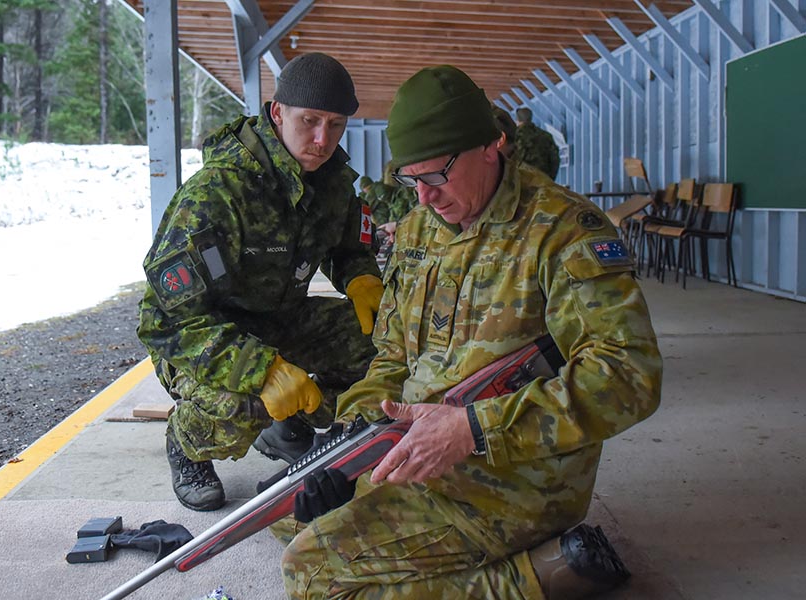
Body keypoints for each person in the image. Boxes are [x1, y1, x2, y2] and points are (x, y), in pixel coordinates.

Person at [280, 65, 662, 599]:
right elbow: (393, 357)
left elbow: (630, 377)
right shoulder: (419, 230)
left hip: (514, 481)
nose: (423, 199)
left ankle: (536, 578)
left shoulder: (563, 232)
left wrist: (474, 429)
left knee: (309, 572)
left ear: (491, 146)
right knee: (289, 511)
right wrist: (350, 440)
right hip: (414, 449)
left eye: (435, 177)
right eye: (410, 181)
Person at [137, 52, 384, 512]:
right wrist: (262, 369)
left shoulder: (330, 181)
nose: (321, 138)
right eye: (309, 121)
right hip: (203, 340)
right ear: (277, 114)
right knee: (239, 402)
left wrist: (361, 278)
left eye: (335, 125)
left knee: (383, 344)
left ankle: (294, 425)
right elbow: (166, 323)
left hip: (281, 318)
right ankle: (186, 444)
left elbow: (348, 247)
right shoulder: (217, 194)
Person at [514, 106, 561, 180]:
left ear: (517, 120)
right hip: (543, 180)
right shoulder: (546, 136)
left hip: (521, 181)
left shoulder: (513, 136)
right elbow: (555, 159)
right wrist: (550, 179)